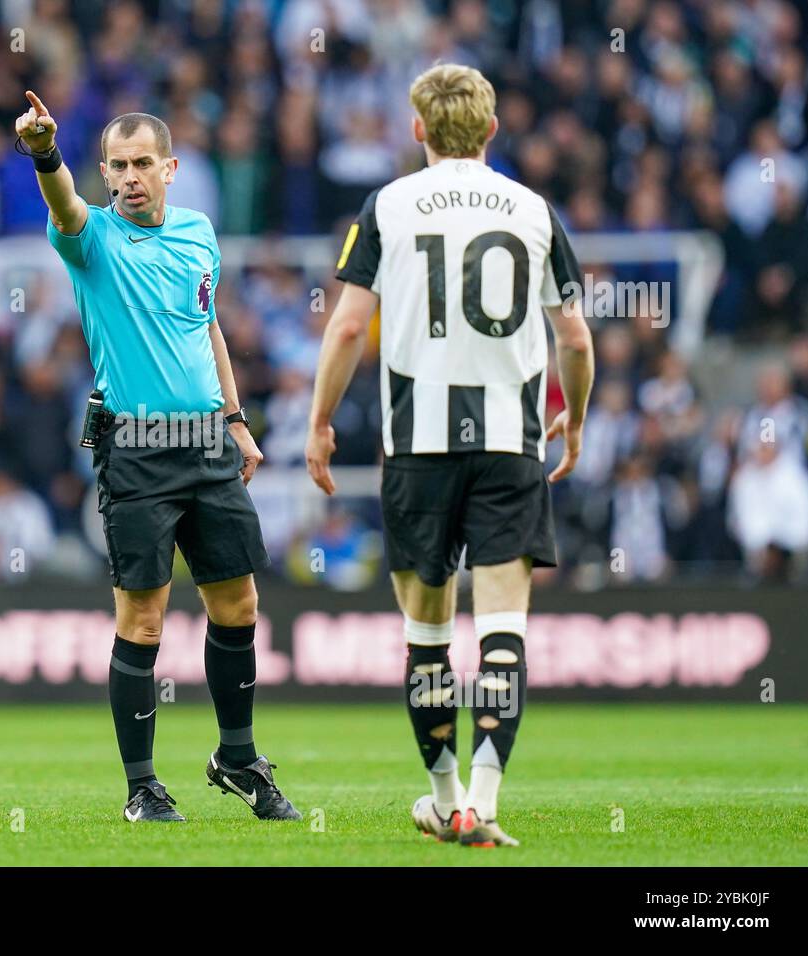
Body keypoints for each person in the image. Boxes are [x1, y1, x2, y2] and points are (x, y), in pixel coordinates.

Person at [305, 63, 594, 848]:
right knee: (504, 629)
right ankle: (487, 803)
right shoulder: (532, 209)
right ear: (493, 129)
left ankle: (443, 797)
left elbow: (344, 329)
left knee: (428, 636)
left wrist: (321, 421)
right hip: (510, 446)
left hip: (418, 451)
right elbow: (573, 336)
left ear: (418, 130)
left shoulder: (388, 205)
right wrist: (573, 421)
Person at [15, 90, 299, 823]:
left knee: (238, 606)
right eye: (118, 165)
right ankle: (142, 786)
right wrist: (46, 152)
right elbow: (65, 203)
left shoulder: (200, 233)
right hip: (135, 450)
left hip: (207, 441)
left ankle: (236, 758)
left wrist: (236, 420)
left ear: (171, 168)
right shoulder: (90, 237)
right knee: (143, 621)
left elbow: (206, 331)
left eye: (144, 163)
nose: (131, 176)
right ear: (105, 174)